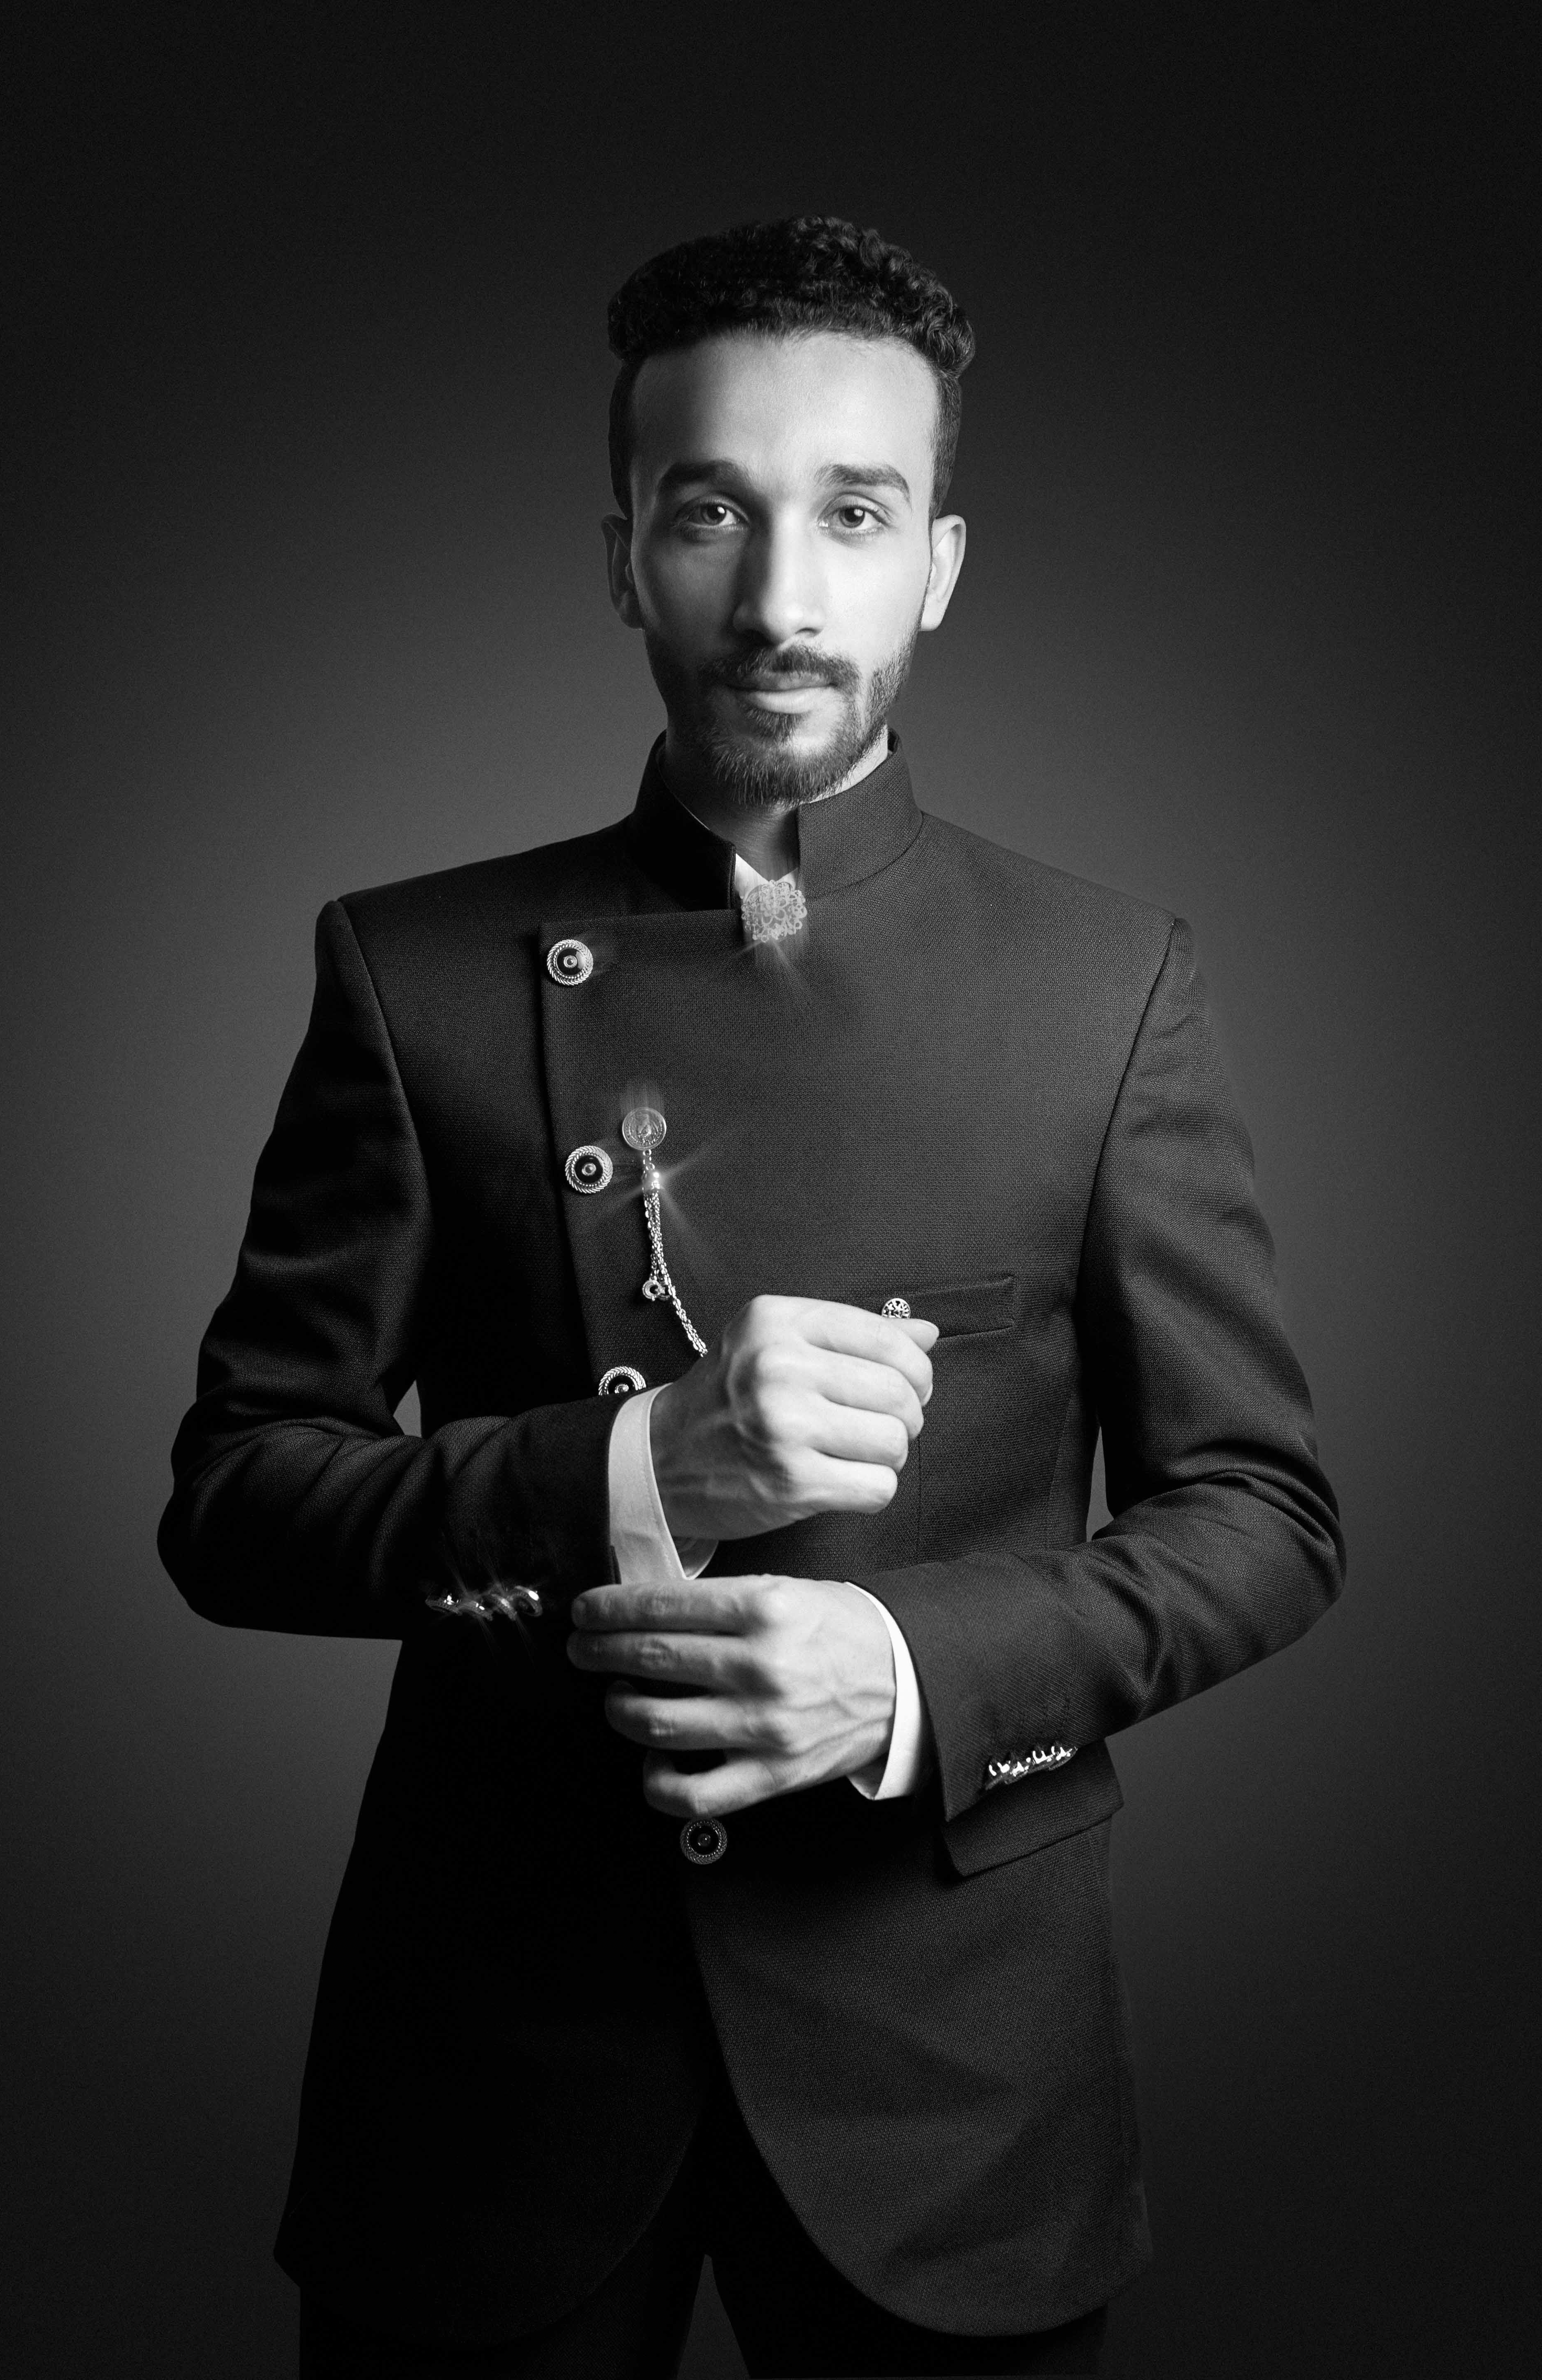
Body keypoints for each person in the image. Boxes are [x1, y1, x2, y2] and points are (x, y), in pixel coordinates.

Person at [159, 216, 1343, 2379]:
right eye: (710, 512)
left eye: (855, 516)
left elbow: (1262, 1518)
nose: (783, 598)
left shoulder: (1110, 987)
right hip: (494, 2065)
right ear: (624, 556)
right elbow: (237, 1505)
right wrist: (636, 1472)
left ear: (940, 566)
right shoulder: (413, 972)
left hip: (957, 2079)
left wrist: (912, 1670)